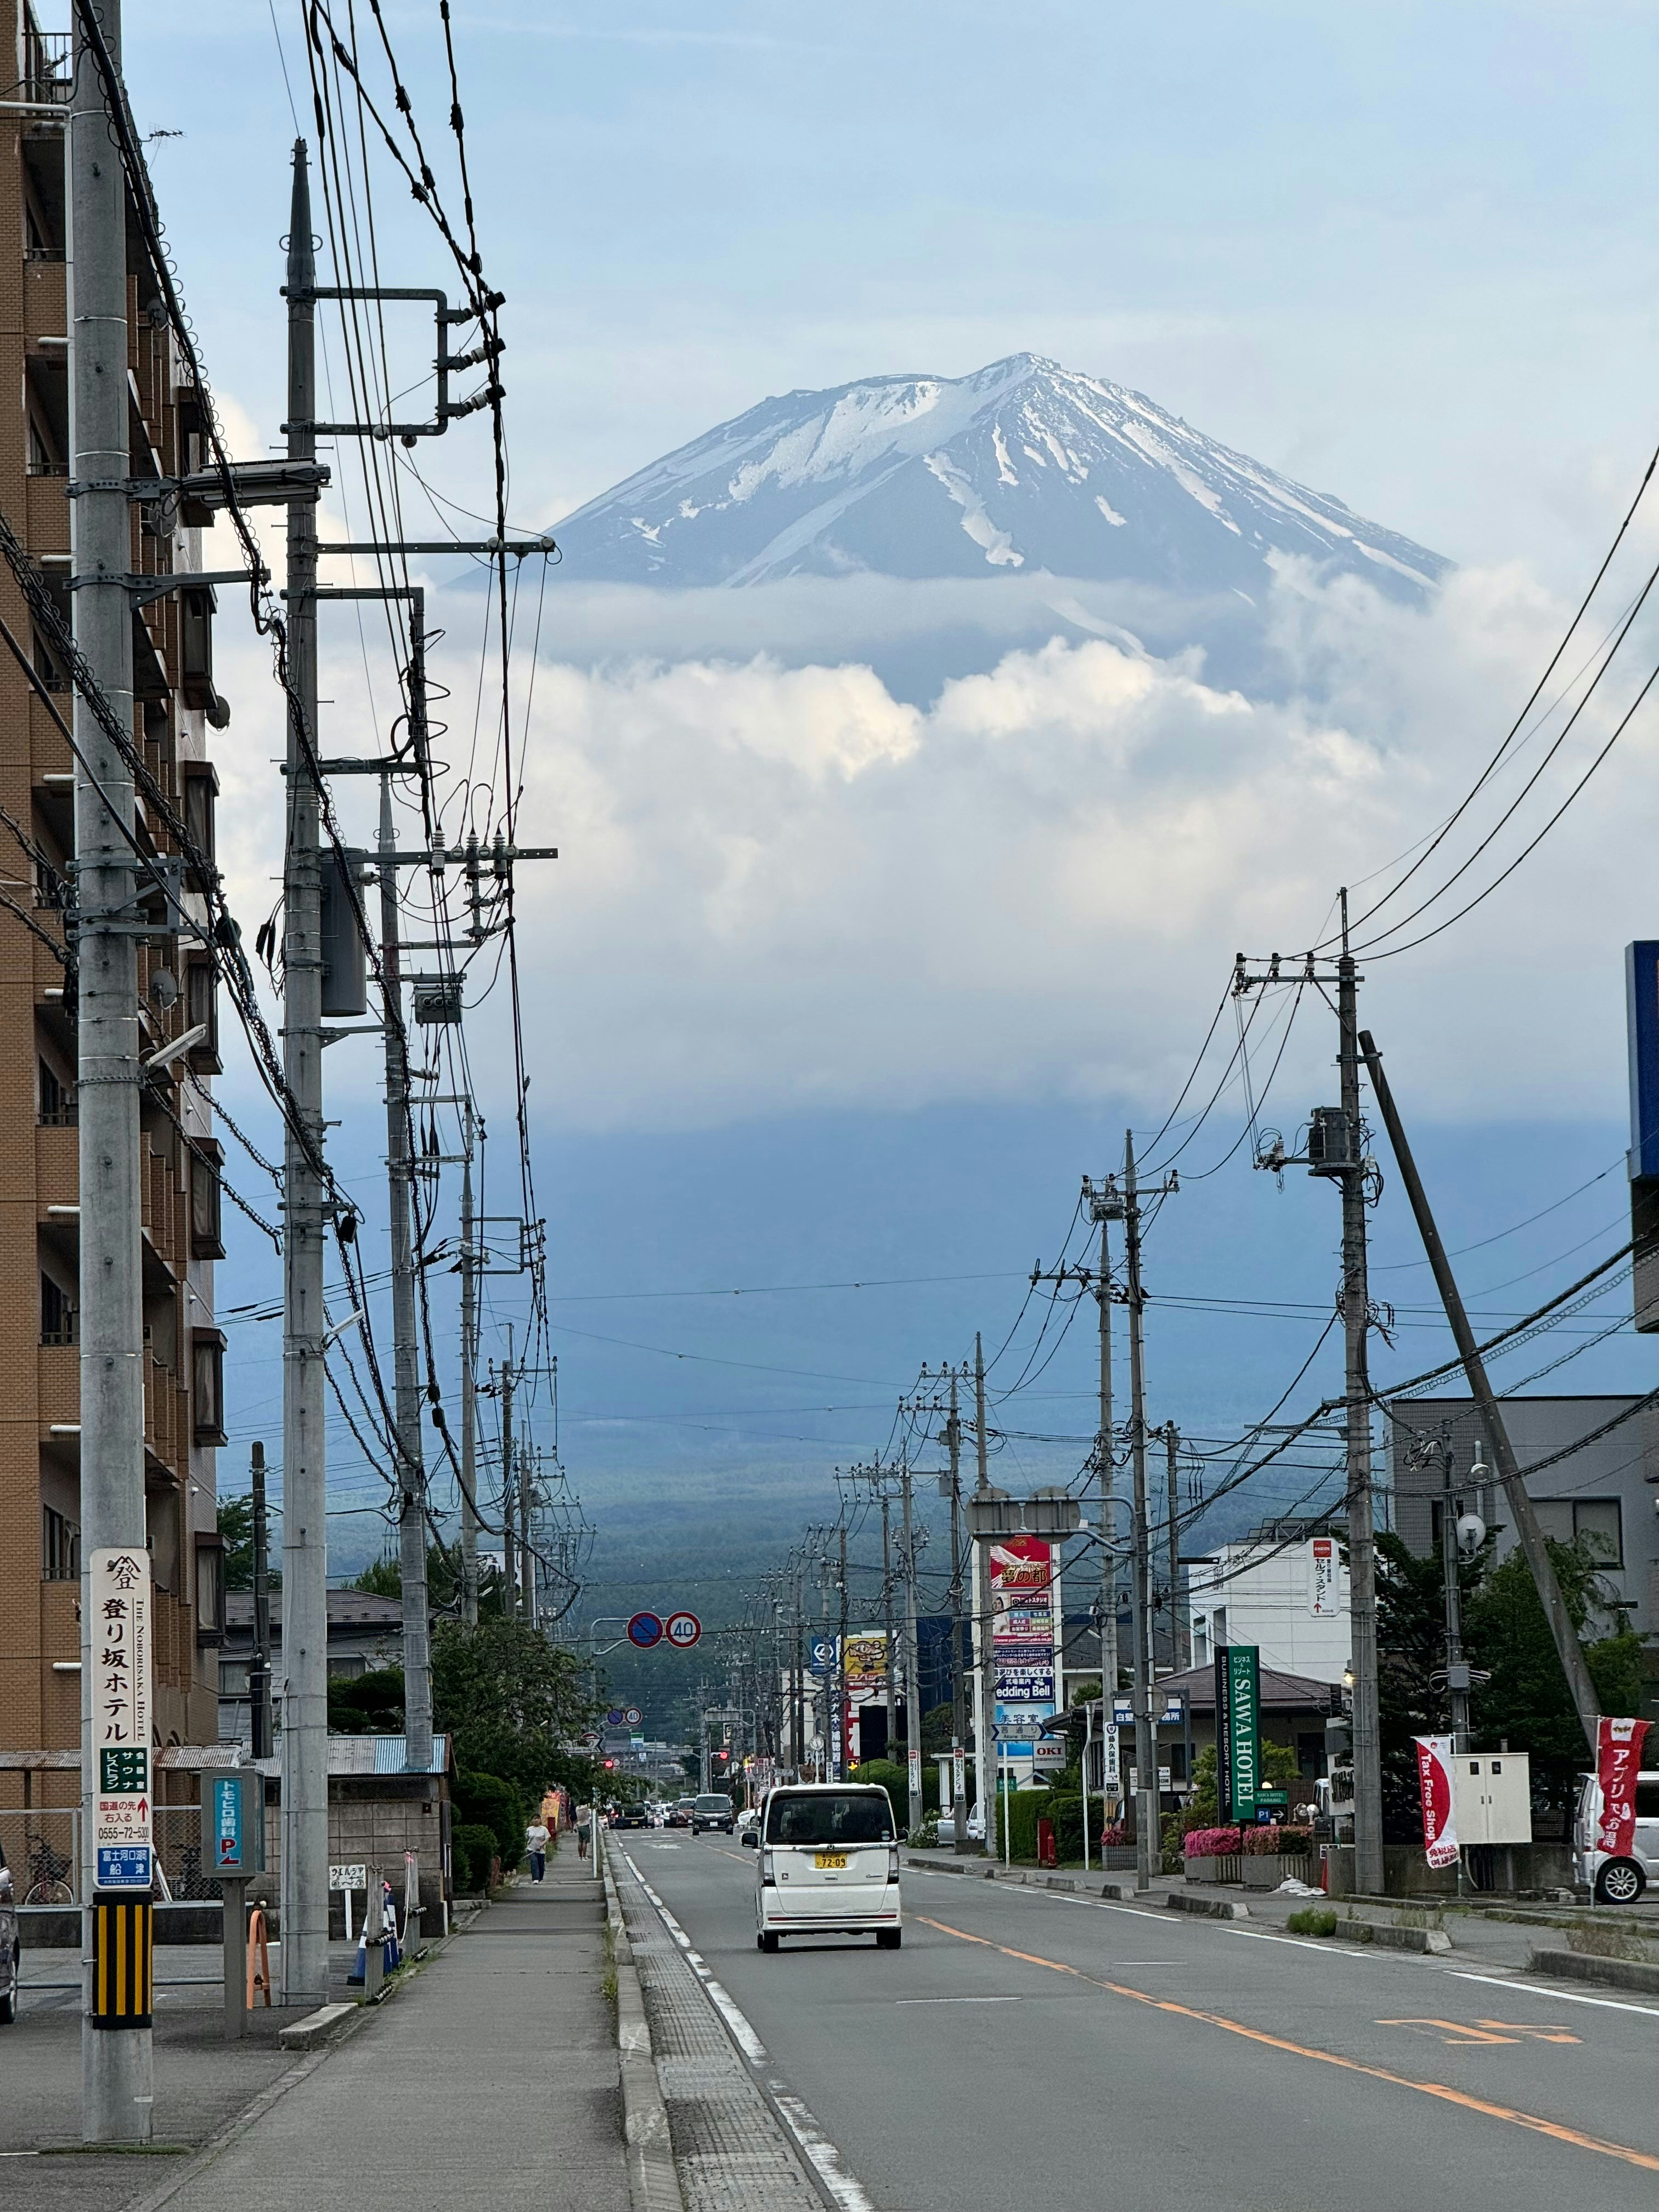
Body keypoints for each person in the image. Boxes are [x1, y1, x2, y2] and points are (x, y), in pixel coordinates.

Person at [526, 1817, 550, 1884]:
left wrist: (541, 1845)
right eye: (534, 1819)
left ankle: (540, 1878)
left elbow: (547, 1838)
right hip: (532, 1850)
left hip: (541, 1850)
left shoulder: (544, 1829)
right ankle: (536, 1878)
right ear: (532, 1821)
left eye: (538, 1819)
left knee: (541, 1865)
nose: (536, 1820)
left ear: (540, 1820)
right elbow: (527, 1839)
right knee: (534, 1862)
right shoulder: (529, 1829)